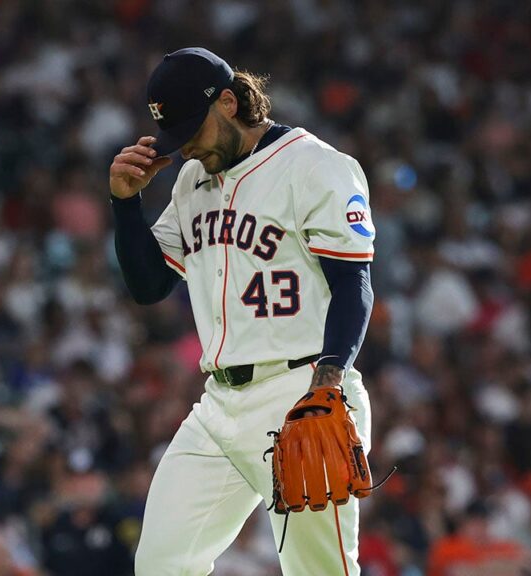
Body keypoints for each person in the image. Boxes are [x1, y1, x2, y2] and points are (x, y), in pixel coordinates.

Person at [109, 47, 376, 575]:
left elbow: (355, 284)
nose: (185, 148)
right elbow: (149, 287)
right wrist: (124, 205)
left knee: (319, 571)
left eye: (192, 130)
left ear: (229, 103)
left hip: (299, 393)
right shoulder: (191, 180)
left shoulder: (316, 166)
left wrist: (328, 383)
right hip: (217, 406)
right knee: (161, 564)